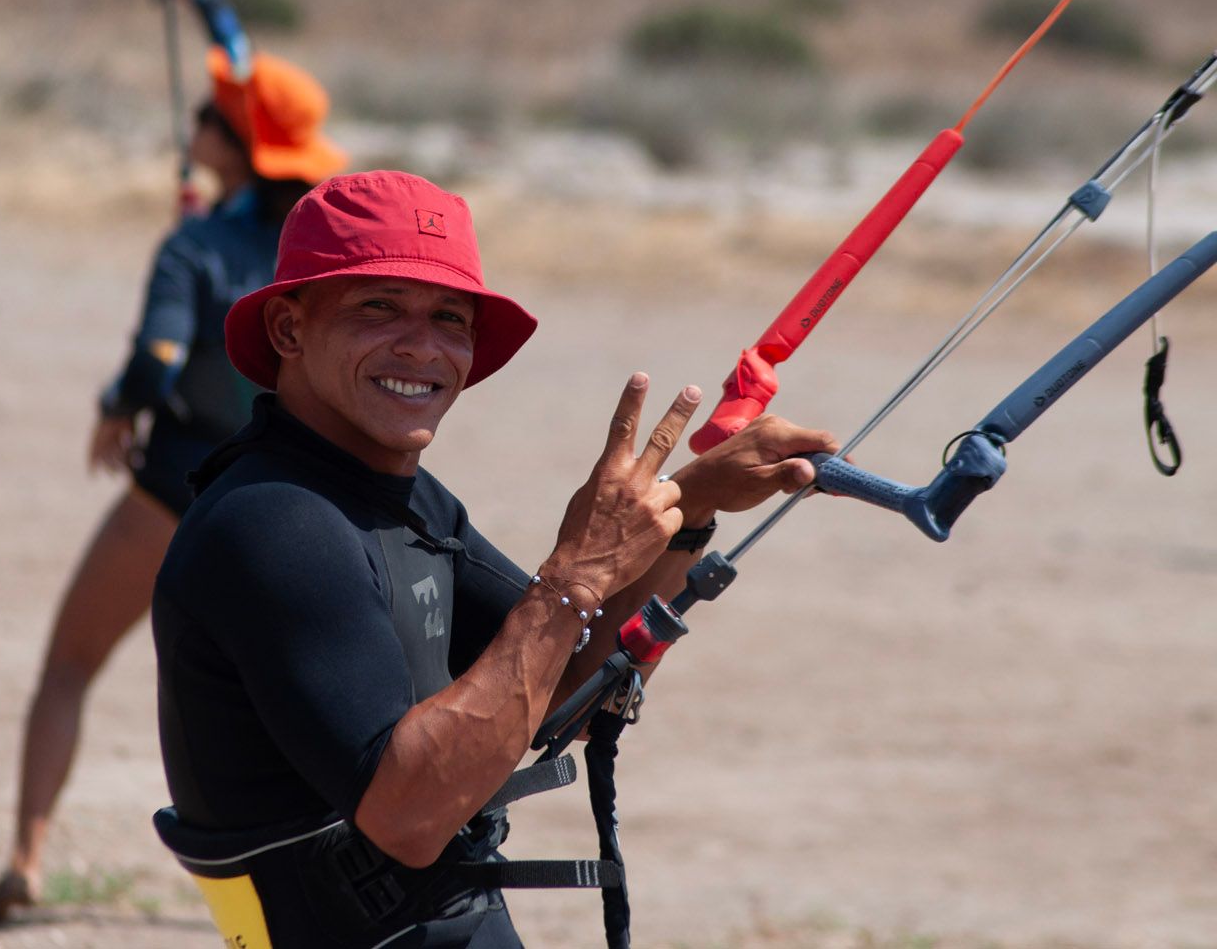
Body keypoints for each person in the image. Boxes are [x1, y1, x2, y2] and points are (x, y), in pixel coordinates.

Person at [149, 169, 842, 947]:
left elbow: (563, 682)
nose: (422, 345)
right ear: (288, 329)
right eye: (378, 306)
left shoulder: (403, 499)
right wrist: (575, 576)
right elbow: (407, 817)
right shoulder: (274, 524)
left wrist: (691, 504)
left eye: (451, 316)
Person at [0, 0, 347, 925]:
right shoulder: (320, 242)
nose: (187, 126)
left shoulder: (194, 242)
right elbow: (256, 89)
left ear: (228, 140)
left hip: (175, 490)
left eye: (199, 120)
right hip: (292, 498)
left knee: (67, 668)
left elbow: (158, 362)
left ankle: (28, 854)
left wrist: (116, 403)